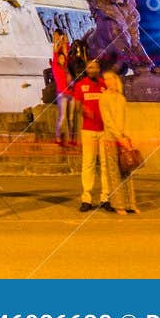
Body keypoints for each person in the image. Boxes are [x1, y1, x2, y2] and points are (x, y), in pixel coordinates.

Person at [72, 57, 110, 212]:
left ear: (99, 69)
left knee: (105, 164)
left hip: (104, 130)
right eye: (90, 68)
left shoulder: (105, 85)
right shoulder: (80, 86)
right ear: (86, 70)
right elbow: (77, 105)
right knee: (88, 164)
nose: (93, 70)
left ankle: (105, 197)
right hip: (88, 130)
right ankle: (86, 198)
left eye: (95, 67)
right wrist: (83, 110)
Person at [99, 68, 138, 215]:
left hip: (122, 137)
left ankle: (131, 204)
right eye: (106, 79)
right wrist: (119, 137)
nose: (109, 82)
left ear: (116, 80)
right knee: (114, 173)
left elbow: (125, 118)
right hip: (110, 138)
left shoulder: (121, 98)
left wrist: (127, 136)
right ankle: (118, 205)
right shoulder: (104, 98)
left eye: (111, 79)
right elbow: (107, 121)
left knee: (127, 171)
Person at [50, 30, 71, 144]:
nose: (62, 59)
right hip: (62, 94)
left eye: (63, 58)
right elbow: (55, 51)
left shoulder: (65, 65)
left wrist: (65, 41)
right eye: (60, 58)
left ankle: (70, 137)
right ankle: (57, 135)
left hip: (70, 94)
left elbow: (66, 51)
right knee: (62, 116)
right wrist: (57, 40)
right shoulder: (55, 66)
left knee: (71, 117)